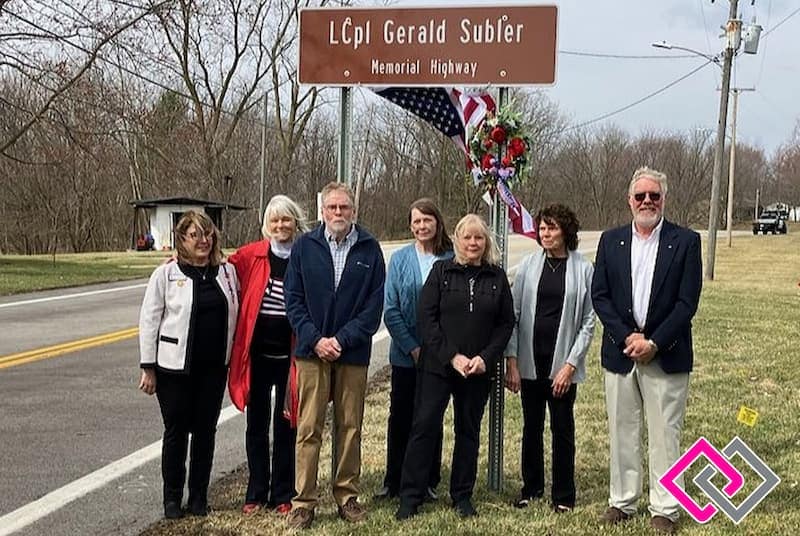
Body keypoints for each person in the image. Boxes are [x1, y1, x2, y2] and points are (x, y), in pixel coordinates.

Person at [591, 166, 702, 534]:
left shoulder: (686, 242)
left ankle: (666, 508)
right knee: (622, 429)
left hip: (665, 353)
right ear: (629, 201)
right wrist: (628, 338)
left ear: (664, 199)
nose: (647, 201)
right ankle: (622, 501)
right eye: (641, 196)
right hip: (620, 353)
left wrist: (653, 342)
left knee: (664, 432)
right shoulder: (610, 241)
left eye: (654, 195)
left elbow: (687, 303)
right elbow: (600, 296)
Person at [396, 213, 514, 520]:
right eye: (467, 237)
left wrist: (484, 358)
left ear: (486, 241)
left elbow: (505, 324)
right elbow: (427, 318)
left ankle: (461, 494)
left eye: (479, 237)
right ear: (457, 240)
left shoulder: (496, 277)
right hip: (439, 367)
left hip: (477, 370)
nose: (473, 243)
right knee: (424, 426)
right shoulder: (441, 272)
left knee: (468, 431)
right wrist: (453, 357)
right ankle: (411, 496)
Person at [284, 182, 385, 530]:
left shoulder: (370, 249)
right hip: (311, 354)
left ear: (354, 211)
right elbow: (292, 302)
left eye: (344, 208)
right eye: (332, 208)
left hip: (352, 353)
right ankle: (304, 502)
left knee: (350, 427)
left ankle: (346, 496)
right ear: (322, 211)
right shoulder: (304, 247)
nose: (338, 213)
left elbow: (374, 308)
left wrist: (341, 340)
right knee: (309, 427)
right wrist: (316, 340)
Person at [138, 210, 239, 519]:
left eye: (208, 234)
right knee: (176, 431)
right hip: (173, 369)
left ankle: (198, 497)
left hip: (213, 369)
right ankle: (171, 499)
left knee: (206, 432)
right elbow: (149, 319)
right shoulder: (166, 275)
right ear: (181, 239)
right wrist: (147, 366)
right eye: (195, 235)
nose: (203, 241)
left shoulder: (227, 273)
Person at [504, 204, 595, 513]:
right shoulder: (528, 266)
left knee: (562, 429)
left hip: (561, 367)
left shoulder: (583, 269)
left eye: (552, 228)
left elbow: (588, 321)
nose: (545, 233)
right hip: (530, 362)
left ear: (565, 231)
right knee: (531, 428)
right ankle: (531, 487)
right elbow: (513, 316)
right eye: (542, 228)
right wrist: (512, 360)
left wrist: (570, 366)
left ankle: (563, 495)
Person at [227, 195, 310, 516]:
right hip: (258, 356)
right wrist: (177, 260)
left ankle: (283, 494)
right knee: (256, 426)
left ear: (295, 222)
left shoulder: (304, 255)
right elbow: (220, 266)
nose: (280, 226)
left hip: (290, 358)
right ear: (267, 225)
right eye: (274, 220)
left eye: (286, 219)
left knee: (287, 425)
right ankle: (256, 492)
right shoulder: (251, 255)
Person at [375, 198, 454, 502]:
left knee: (431, 416)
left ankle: (428, 479)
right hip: (405, 355)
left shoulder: (450, 257)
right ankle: (393, 479)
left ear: (437, 222)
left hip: (440, 355)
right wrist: (412, 347)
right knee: (401, 416)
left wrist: (436, 349)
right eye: (416, 221)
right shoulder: (399, 260)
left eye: (427, 220)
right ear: (410, 225)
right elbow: (391, 309)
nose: (422, 226)